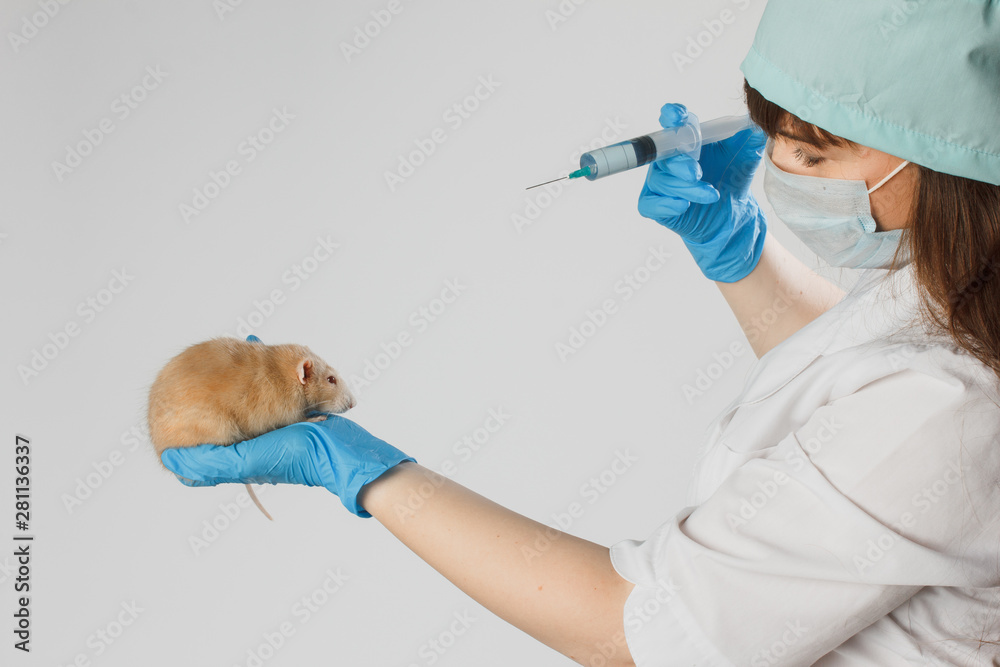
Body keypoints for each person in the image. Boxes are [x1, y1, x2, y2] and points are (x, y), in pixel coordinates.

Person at [160, 1, 1000, 664]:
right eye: (776, 135)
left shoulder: (956, 407)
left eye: (814, 155)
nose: (780, 169)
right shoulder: (958, 307)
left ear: (957, 163)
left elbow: (641, 633)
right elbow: (863, 394)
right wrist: (737, 254)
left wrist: (361, 469)